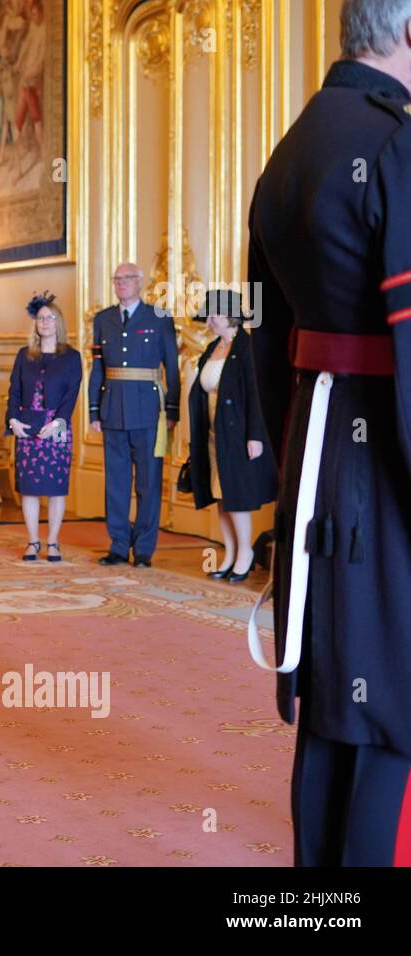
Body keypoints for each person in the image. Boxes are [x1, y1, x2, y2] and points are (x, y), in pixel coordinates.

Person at [248, 0, 411, 866]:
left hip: (314, 446)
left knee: (333, 701)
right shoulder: (395, 144)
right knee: (392, 709)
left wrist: (289, 470)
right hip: (386, 457)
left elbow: (270, 350)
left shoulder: (288, 151)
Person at [88, 263, 180, 567]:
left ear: (140, 283)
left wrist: (172, 410)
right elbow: (98, 368)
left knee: (148, 483)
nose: (121, 283)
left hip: (149, 411)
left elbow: (172, 368)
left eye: (127, 278)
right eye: (117, 279)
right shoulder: (103, 320)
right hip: (112, 409)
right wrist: (93, 410)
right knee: (115, 482)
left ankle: (143, 549)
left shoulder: (159, 317)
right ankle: (117, 544)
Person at [185, 289, 277, 582]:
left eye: (214, 314)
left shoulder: (247, 348)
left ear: (230, 316)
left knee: (236, 496)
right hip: (213, 433)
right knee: (220, 496)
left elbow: (257, 395)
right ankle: (231, 552)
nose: (209, 320)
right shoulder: (213, 347)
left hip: (238, 435)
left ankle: (245, 555)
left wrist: (255, 436)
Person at [8, 292, 81, 562]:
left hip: (57, 428)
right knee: (28, 487)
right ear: (35, 323)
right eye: (41, 318)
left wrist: (57, 423)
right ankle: (32, 542)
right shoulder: (24, 355)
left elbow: (71, 395)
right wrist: (13, 419)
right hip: (27, 426)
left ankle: (53, 543)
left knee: (55, 488)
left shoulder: (71, 357)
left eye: (50, 318)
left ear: (58, 323)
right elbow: (14, 391)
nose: (45, 322)